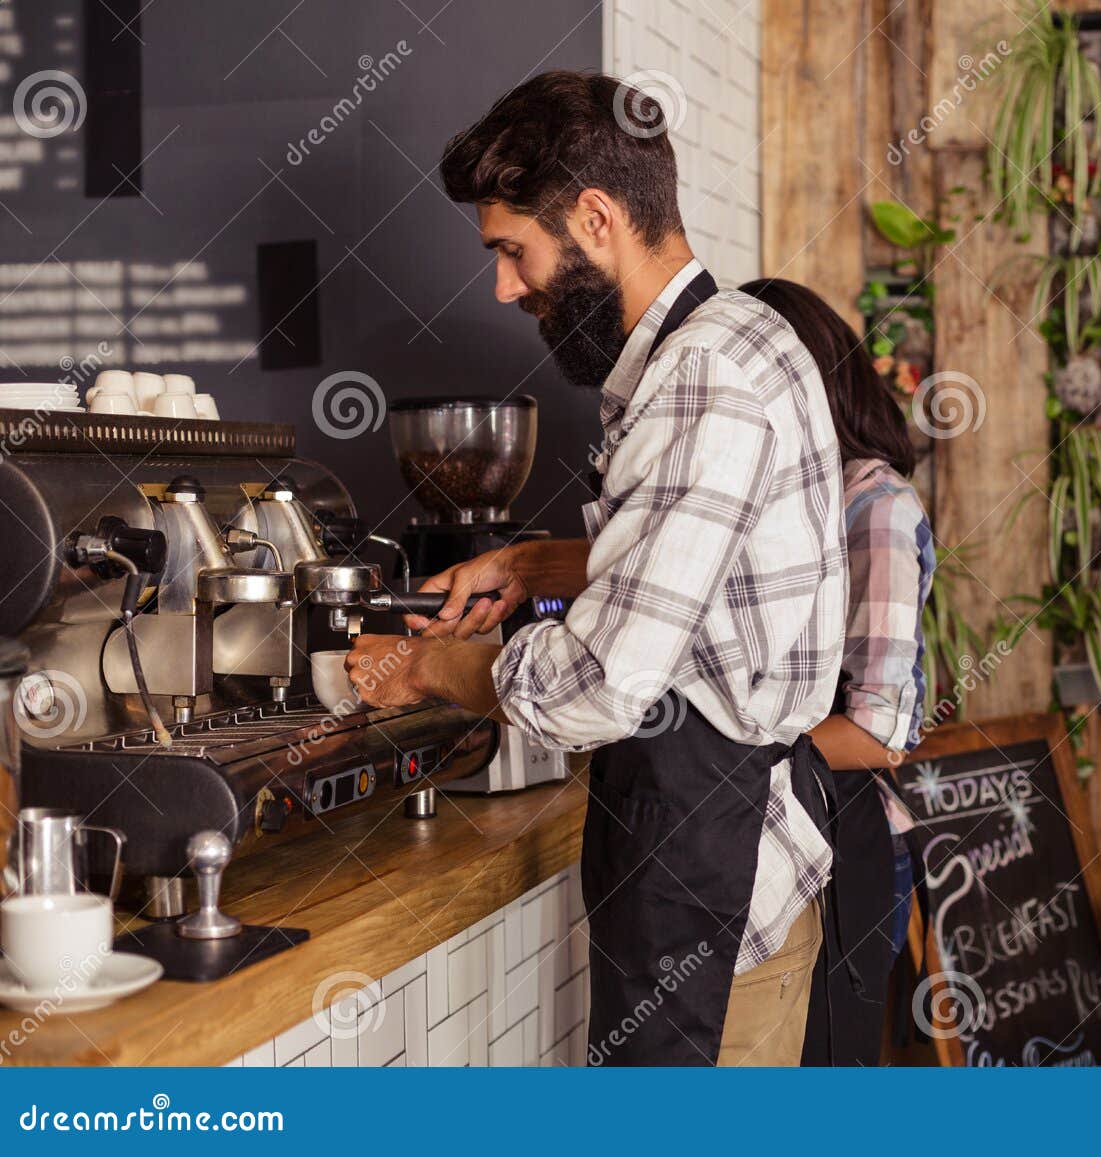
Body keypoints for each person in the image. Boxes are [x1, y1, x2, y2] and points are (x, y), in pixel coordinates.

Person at [346, 71, 848, 1067]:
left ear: (595, 217)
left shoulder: (698, 376)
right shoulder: (741, 336)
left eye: (511, 251)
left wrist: (424, 671)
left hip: (716, 899)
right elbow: (709, 567)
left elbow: (602, 683)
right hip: (733, 873)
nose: (504, 286)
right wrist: (531, 563)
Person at [740, 278, 934, 1066]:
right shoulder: (798, 503)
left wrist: (731, 756)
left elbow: (879, 732)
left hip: (845, 841)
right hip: (789, 831)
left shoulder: (874, 505)